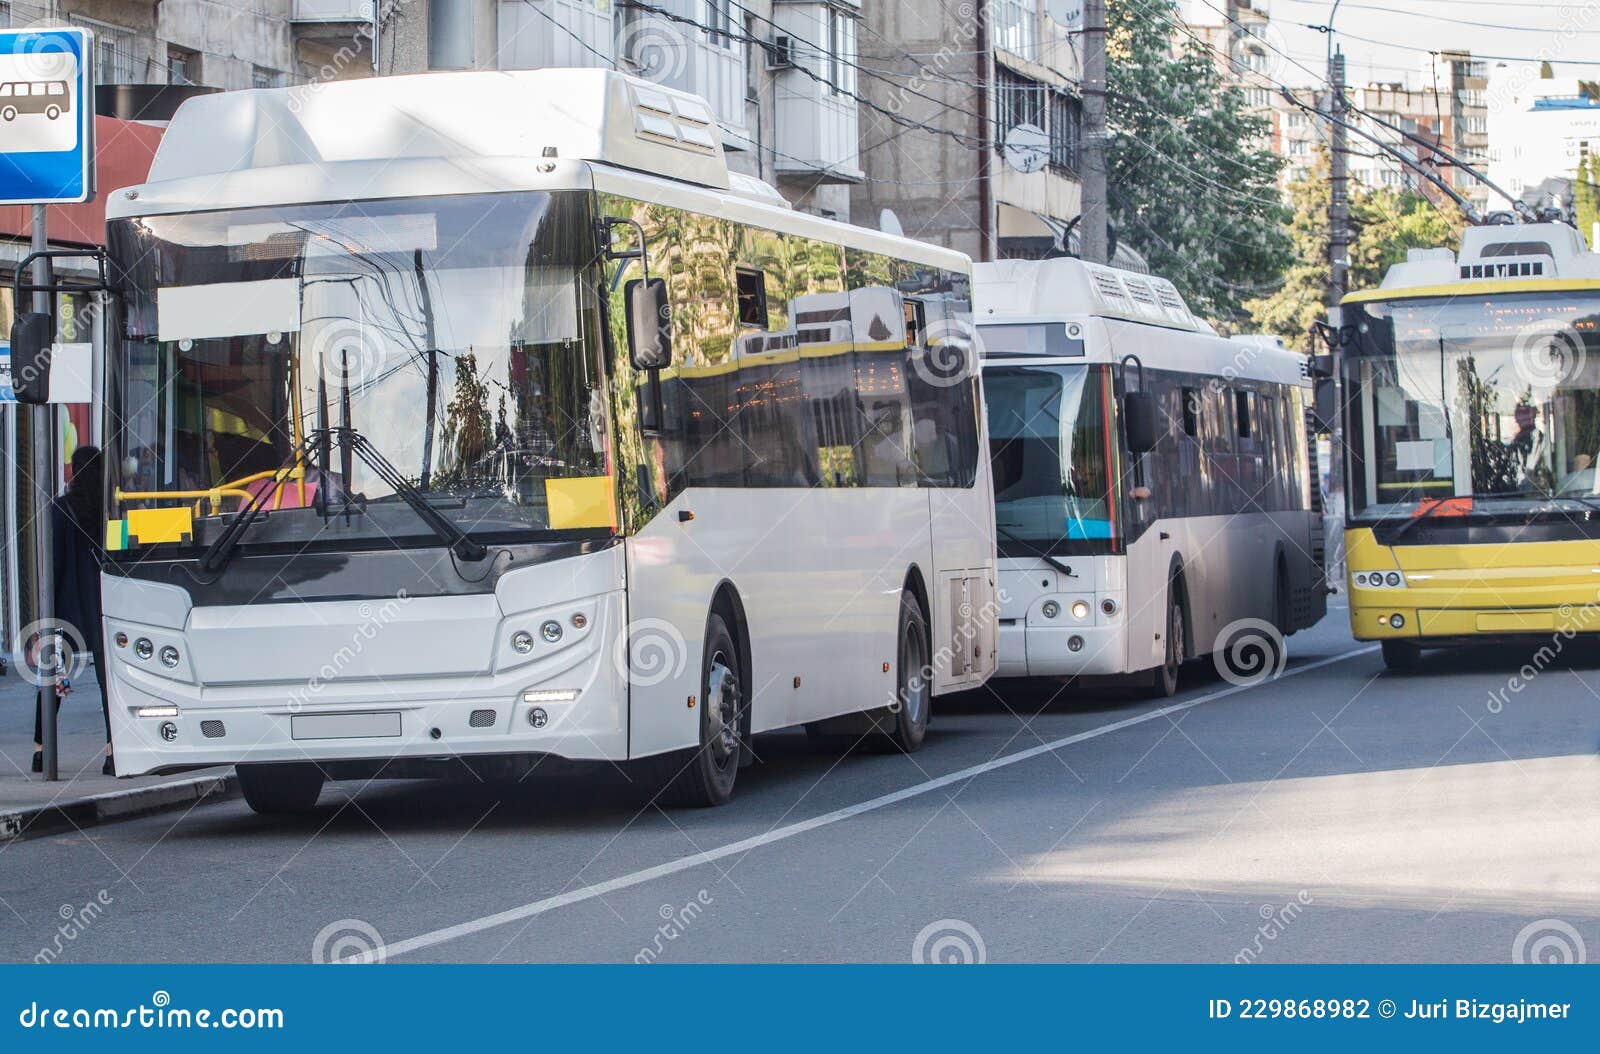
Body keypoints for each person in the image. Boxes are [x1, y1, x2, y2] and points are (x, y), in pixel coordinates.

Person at [32, 445, 111, 776]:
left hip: (66, 605)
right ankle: (113, 750)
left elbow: (54, 563)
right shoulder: (109, 512)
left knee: (52, 675)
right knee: (109, 679)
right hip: (104, 603)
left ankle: (41, 749)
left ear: (75, 473)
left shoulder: (60, 510)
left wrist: (42, 615)